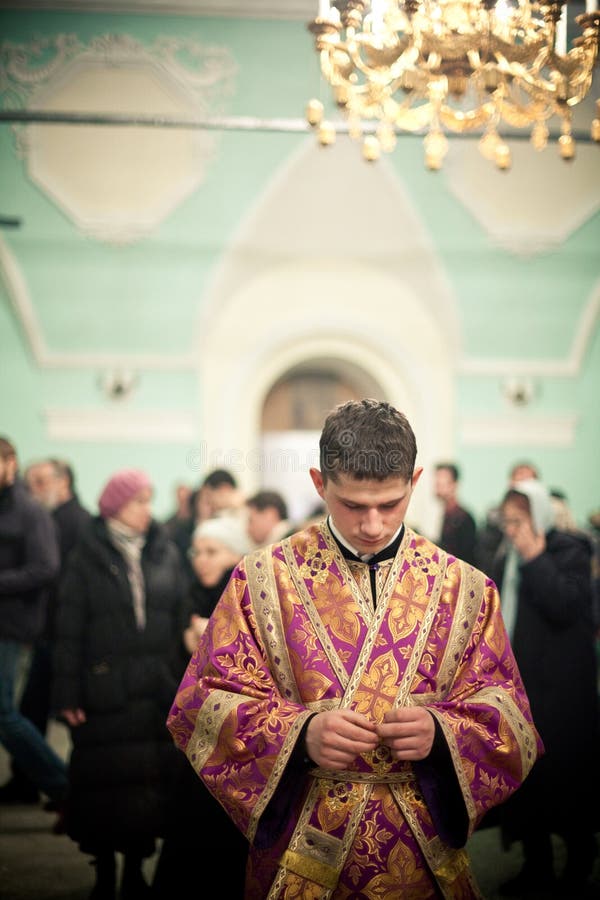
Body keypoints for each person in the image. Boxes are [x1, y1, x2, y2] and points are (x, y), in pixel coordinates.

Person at [167, 399, 543, 900]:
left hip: (423, 852)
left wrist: (442, 732)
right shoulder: (261, 580)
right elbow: (202, 704)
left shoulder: (466, 588)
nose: (372, 524)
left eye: (390, 504)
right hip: (301, 849)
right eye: (353, 505)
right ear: (319, 484)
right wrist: (299, 734)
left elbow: (511, 715)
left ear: (415, 480)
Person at [51, 468, 187, 900]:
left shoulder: (164, 551)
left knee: (146, 787)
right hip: (104, 691)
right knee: (102, 786)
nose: (148, 509)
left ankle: (133, 869)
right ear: (114, 506)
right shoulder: (87, 554)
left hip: (152, 690)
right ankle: (104, 869)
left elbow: (180, 616)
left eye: (149, 500)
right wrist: (66, 693)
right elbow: (68, 631)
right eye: (138, 501)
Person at [491, 478, 599, 897]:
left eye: (519, 521)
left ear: (537, 516)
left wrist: (534, 554)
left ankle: (578, 865)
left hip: (563, 694)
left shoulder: (571, 548)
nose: (512, 530)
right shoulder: (506, 555)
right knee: (527, 782)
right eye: (508, 521)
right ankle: (536, 868)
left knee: (567, 780)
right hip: (521, 687)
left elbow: (564, 606)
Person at [152, 513, 252, 896]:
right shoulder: (184, 596)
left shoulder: (243, 599)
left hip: (235, 739)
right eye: (198, 551)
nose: (202, 559)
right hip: (190, 734)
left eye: (213, 551)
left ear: (233, 555)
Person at [1, 458, 91, 807]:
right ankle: (26, 781)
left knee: (58, 712)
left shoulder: (76, 521)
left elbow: (61, 580)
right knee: (31, 707)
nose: (32, 489)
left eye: (39, 482)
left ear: (62, 481)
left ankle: (71, 787)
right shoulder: (52, 517)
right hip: (47, 630)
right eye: (30, 481)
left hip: (59, 632)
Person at [433, 462, 477, 565]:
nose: (437, 486)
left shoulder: (464, 519)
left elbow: (467, 560)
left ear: (454, 485)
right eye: (436, 482)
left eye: (442, 483)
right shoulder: (447, 516)